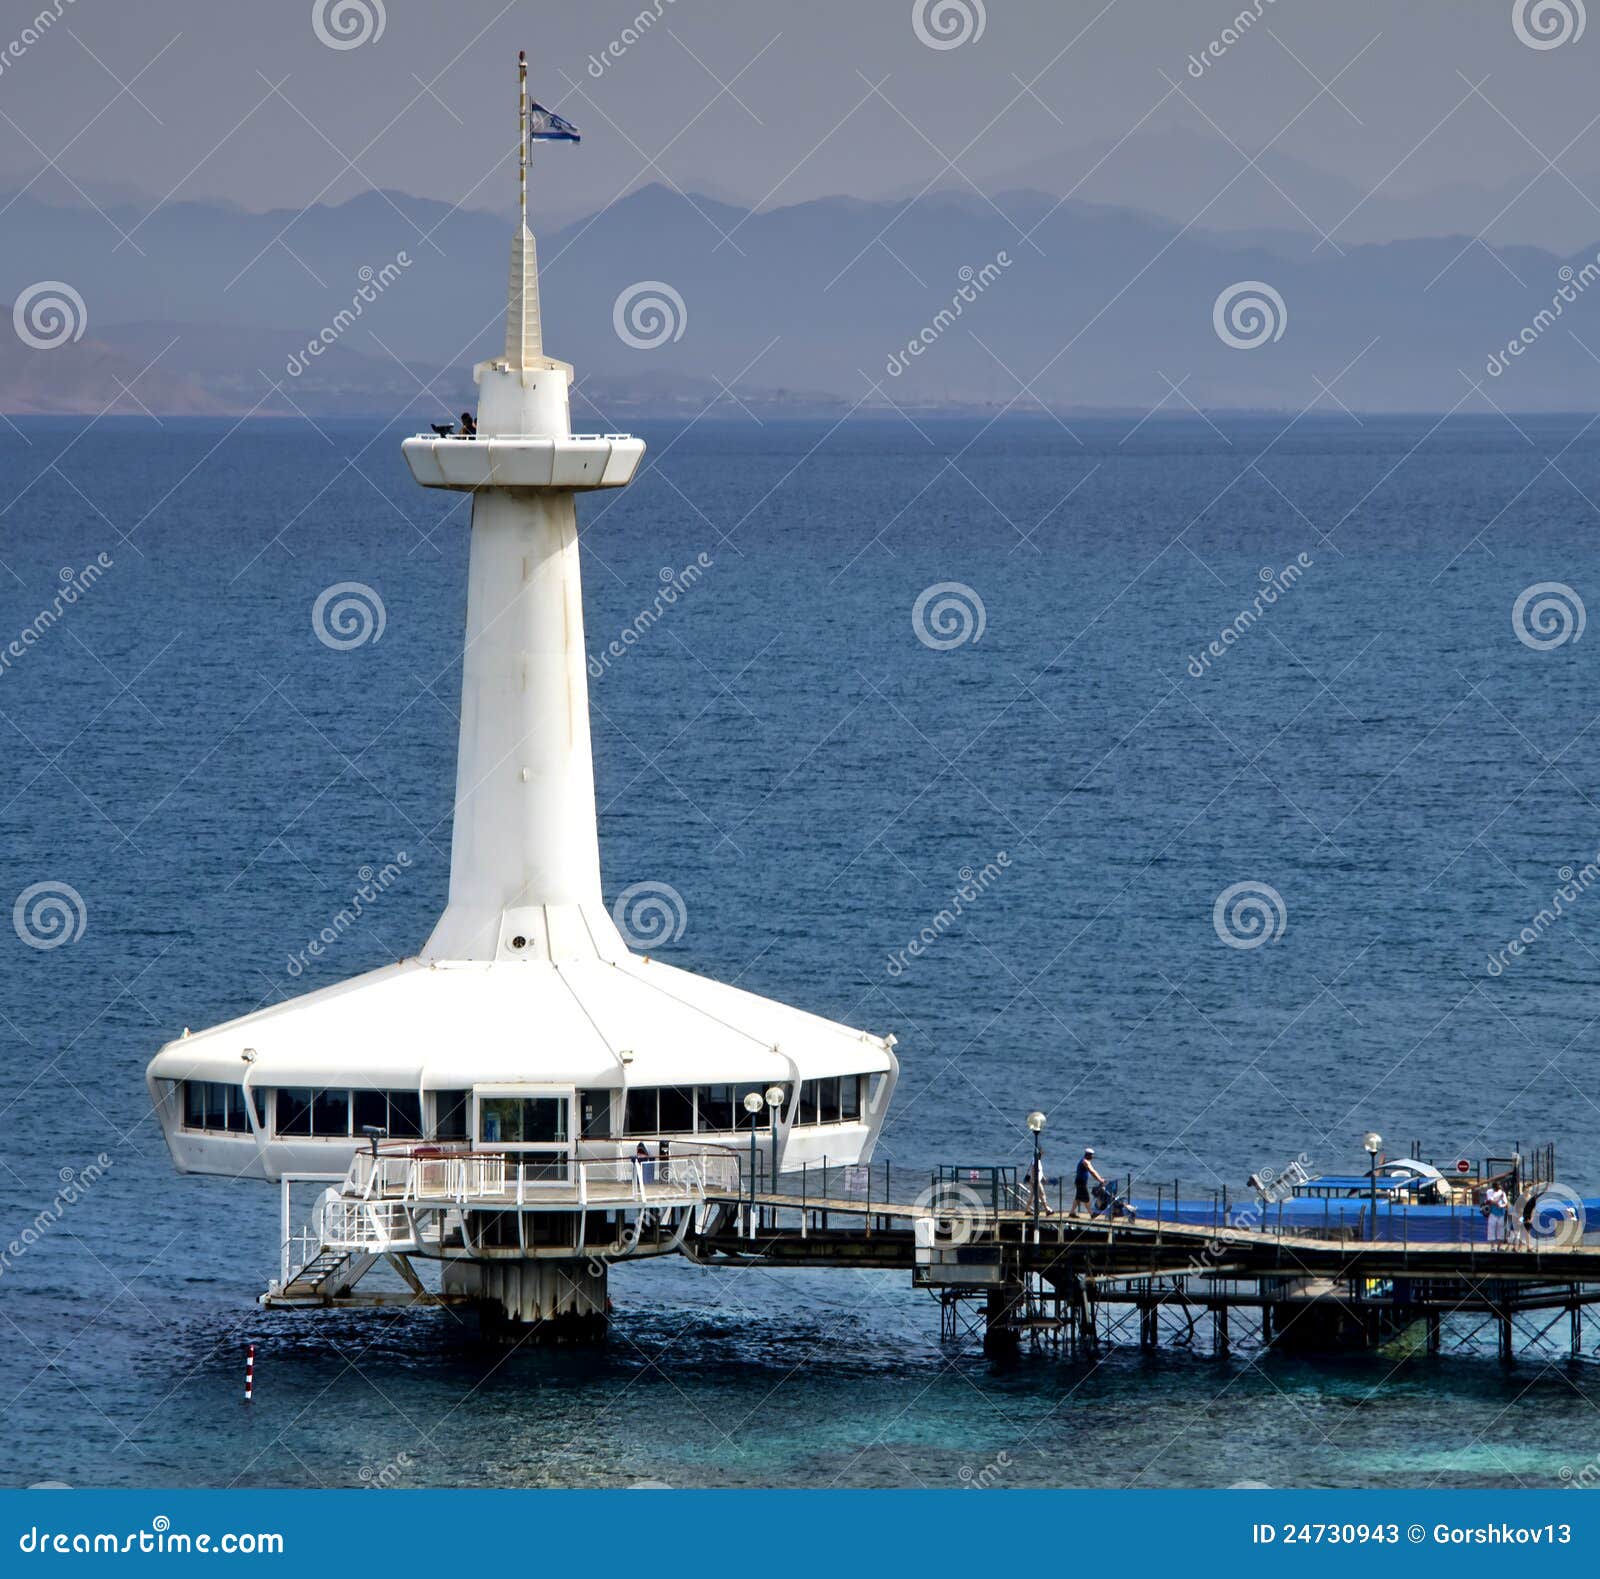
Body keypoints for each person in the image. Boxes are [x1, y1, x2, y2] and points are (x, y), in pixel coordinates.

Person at [1073, 1147, 1104, 1217]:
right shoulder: (1085, 1162)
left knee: (1078, 1198)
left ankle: (1072, 1212)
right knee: (1086, 1198)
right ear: (1088, 1155)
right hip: (1081, 1182)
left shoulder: (1086, 1161)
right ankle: (1092, 1214)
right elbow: (1092, 1172)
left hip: (1080, 1181)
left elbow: (1094, 1170)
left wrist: (1100, 1178)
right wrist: (1099, 1180)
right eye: (1091, 1155)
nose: (1092, 1157)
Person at [1483, 1182, 1510, 1248]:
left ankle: (1499, 1247)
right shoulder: (1489, 1191)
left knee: (1501, 1231)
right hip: (1492, 1213)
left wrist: (1504, 1205)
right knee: (1491, 1230)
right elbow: (1490, 1201)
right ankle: (1492, 1247)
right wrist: (1497, 1203)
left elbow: (1506, 1203)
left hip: (1501, 1213)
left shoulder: (1502, 1193)